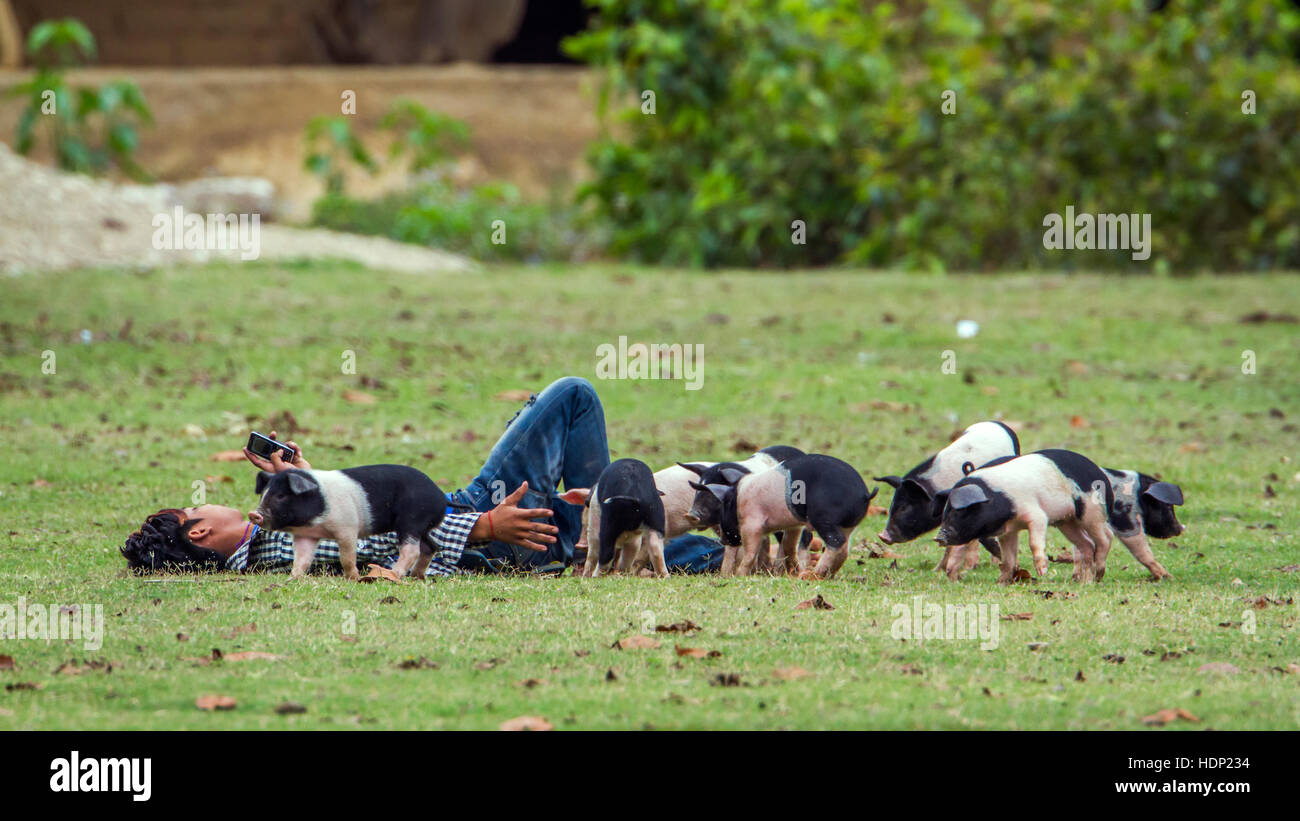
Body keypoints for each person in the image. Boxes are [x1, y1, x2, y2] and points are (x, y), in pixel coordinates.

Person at [120, 377, 725, 576]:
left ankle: (625, 541)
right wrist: (486, 527)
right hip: (474, 529)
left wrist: (301, 477)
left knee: (561, 408)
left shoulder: (270, 542)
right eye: (198, 511)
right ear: (196, 531)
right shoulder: (270, 547)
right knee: (572, 398)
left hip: (466, 519)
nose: (220, 510)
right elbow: (381, 541)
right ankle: (595, 533)